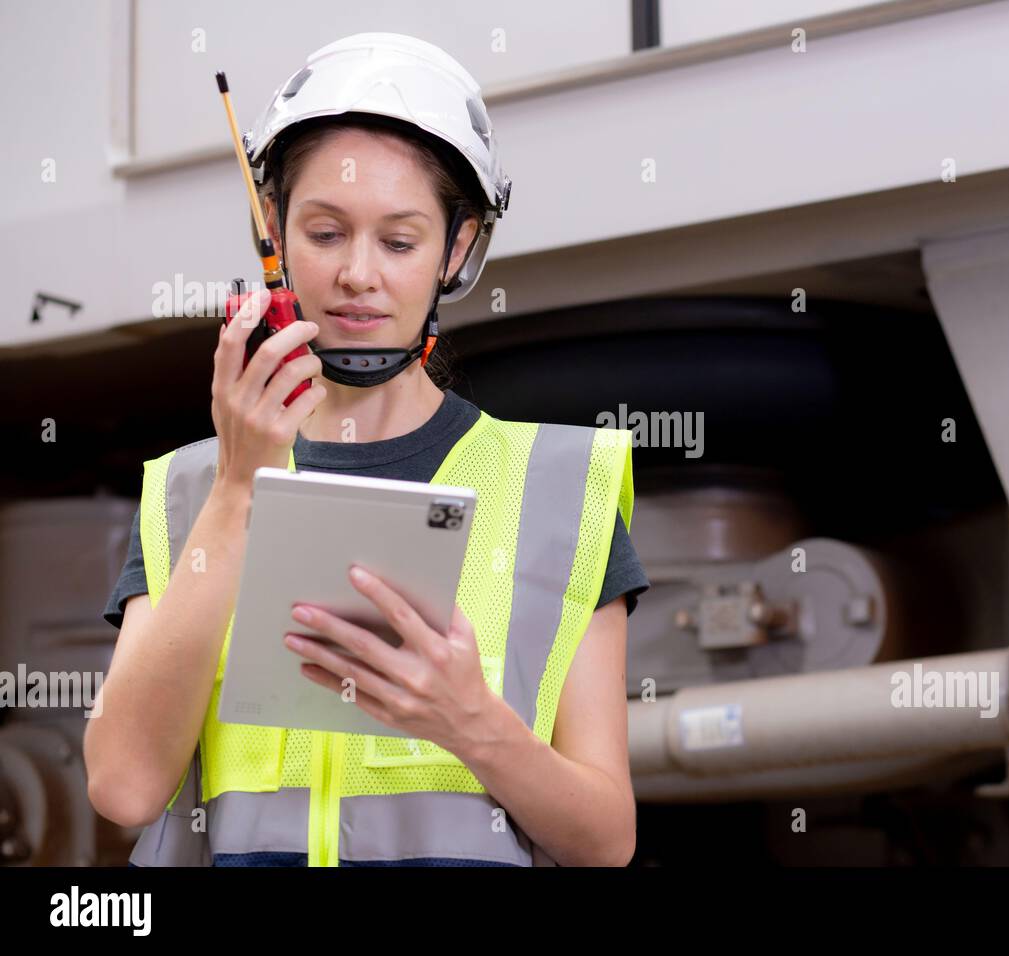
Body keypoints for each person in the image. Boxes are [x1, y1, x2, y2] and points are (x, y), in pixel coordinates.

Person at [86, 33, 648, 867]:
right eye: (324, 232)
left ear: (457, 250)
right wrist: (241, 491)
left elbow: (606, 842)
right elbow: (125, 788)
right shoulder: (188, 491)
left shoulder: (561, 489)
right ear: (271, 231)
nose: (358, 274)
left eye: (399, 241)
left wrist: (475, 724)